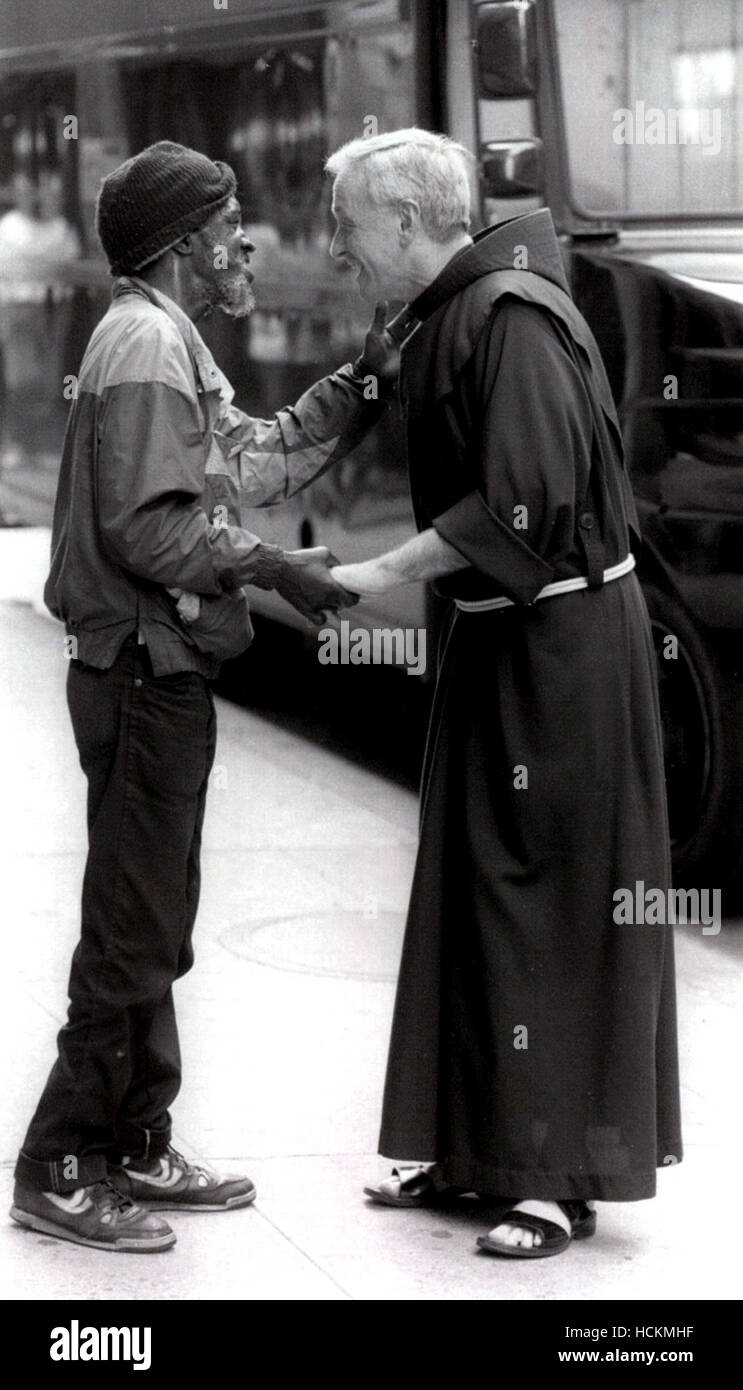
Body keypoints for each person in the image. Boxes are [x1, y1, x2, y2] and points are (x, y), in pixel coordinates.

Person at [11, 141, 393, 1254]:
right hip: (138, 672)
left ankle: (136, 1138)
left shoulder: (166, 338)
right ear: (183, 245)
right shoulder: (141, 341)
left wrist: (361, 384)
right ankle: (59, 1162)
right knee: (130, 930)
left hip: (162, 671)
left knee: (154, 920)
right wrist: (282, 573)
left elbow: (252, 460)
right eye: (228, 226)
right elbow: (150, 527)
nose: (247, 244)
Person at [326, 128, 682, 1258]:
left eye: (344, 227)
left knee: (547, 902)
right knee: (476, 891)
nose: (336, 251)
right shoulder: (460, 308)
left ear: (401, 223)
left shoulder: (509, 319)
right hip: (509, 640)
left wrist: (378, 571)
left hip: (559, 651)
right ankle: (476, 1149)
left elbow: (521, 505)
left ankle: (551, 1181)